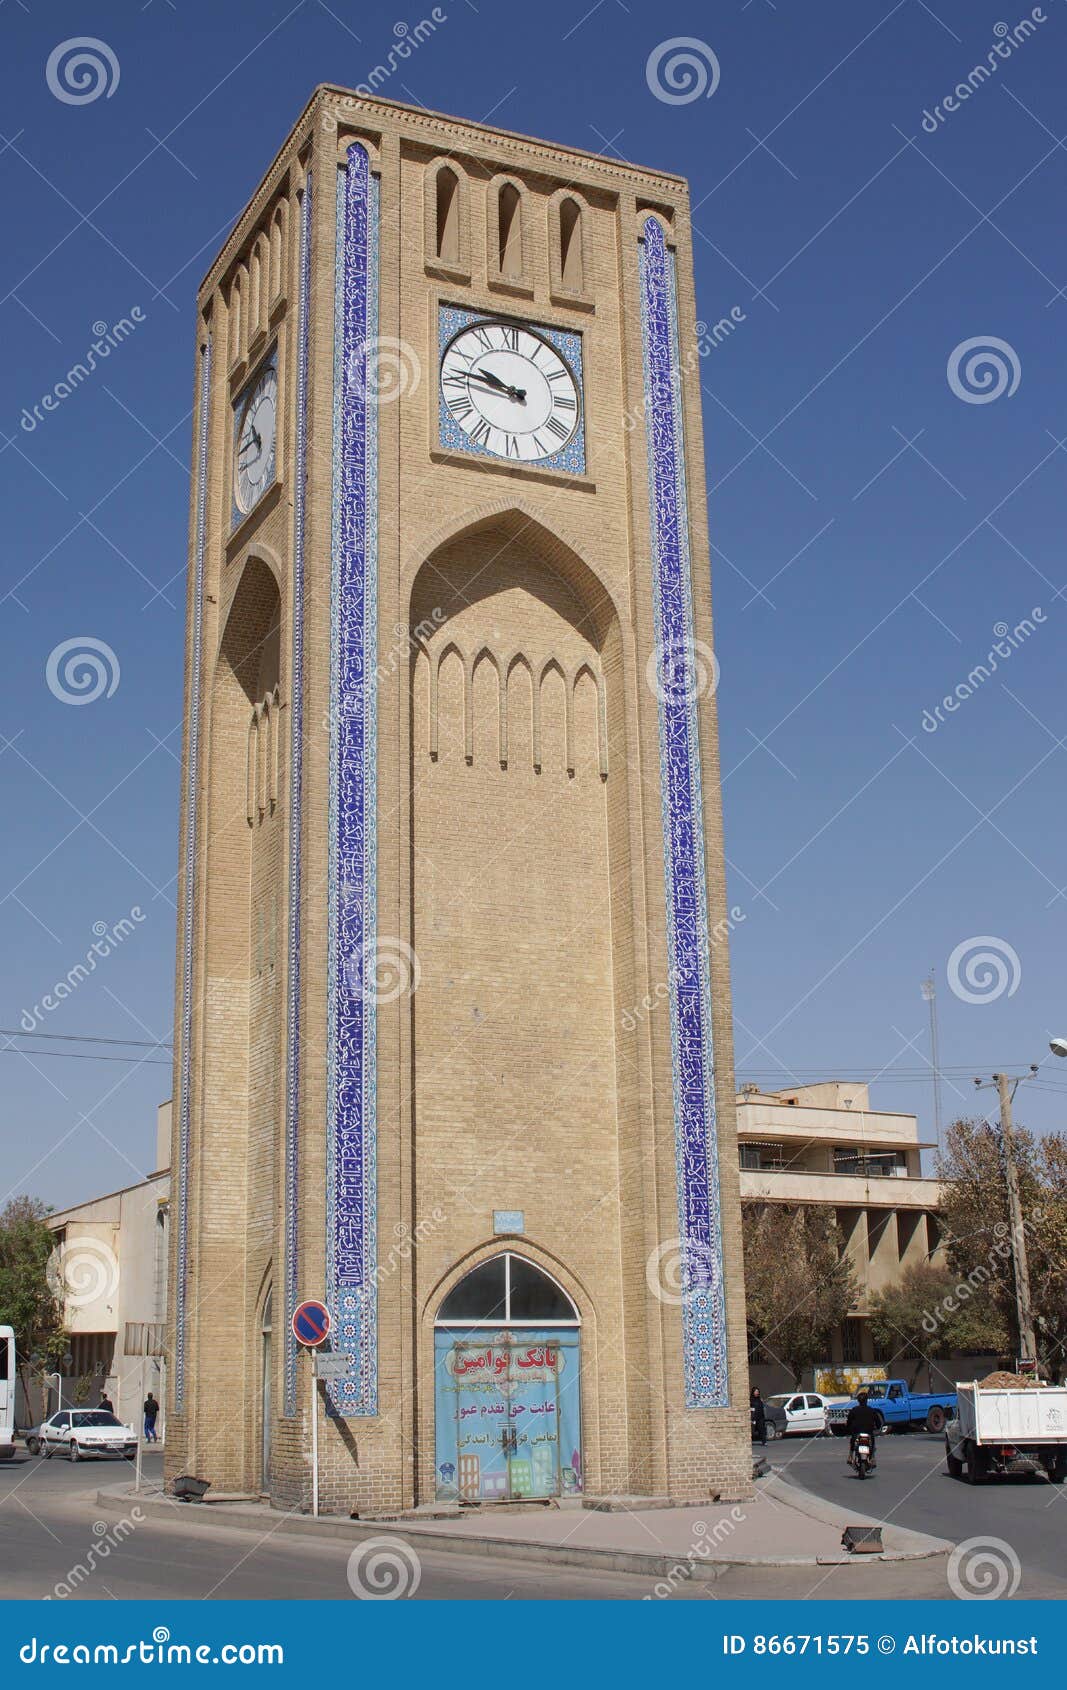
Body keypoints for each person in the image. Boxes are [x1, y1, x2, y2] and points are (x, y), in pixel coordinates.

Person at [845, 1389, 880, 1467]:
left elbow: (849, 1421)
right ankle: (873, 1458)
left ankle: (850, 1456)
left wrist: (848, 1427)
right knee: (872, 1443)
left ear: (858, 1401)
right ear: (867, 1400)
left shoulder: (854, 1410)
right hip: (869, 1432)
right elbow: (878, 1422)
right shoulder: (872, 1410)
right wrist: (877, 1427)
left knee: (852, 1442)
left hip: (856, 1433)